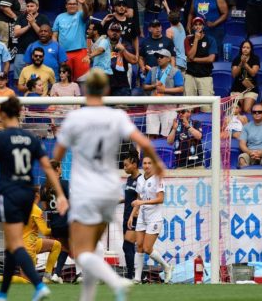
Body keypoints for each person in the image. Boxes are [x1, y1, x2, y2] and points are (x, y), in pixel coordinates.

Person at [52, 69, 163, 300]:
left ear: (84, 90)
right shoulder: (117, 117)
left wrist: (61, 194)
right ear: (106, 90)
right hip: (110, 189)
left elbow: (56, 157)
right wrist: (159, 165)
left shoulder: (76, 118)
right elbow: (143, 142)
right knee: (94, 246)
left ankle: (115, 281)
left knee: (81, 252)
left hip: (85, 190)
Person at [0, 96, 67, 301]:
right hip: (28, 195)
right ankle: (3, 293)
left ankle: (39, 285)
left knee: (15, 244)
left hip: (10, 194)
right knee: (11, 246)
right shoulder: (30, 138)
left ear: (4, 114)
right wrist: (60, 193)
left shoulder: (2, 138)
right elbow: (48, 168)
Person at [129, 155, 174, 285]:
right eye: (145, 163)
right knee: (139, 246)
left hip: (154, 217)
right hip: (142, 216)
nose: (147, 165)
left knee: (148, 248)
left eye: (149, 163)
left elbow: (161, 199)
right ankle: (137, 278)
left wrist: (142, 202)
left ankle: (166, 266)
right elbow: (139, 198)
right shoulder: (140, 180)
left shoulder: (158, 178)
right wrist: (133, 214)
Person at [121, 153, 142, 280]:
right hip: (126, 215)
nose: (124, 168)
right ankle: (134, 275)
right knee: (129, 247)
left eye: (126, 165)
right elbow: (128, 198)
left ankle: (131, 275)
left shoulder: (141, 180)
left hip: (134, 217)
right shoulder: (129, 179)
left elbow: (139, 200)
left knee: (127, 245)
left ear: (134, 164)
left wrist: (132, 216)